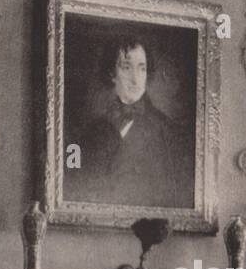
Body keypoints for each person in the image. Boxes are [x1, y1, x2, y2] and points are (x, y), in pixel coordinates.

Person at [67, 37, 194, 208]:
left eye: (142, 69)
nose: (135, 79)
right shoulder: (93, 130)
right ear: (112, 73)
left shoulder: (167, 130)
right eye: (126, 68)